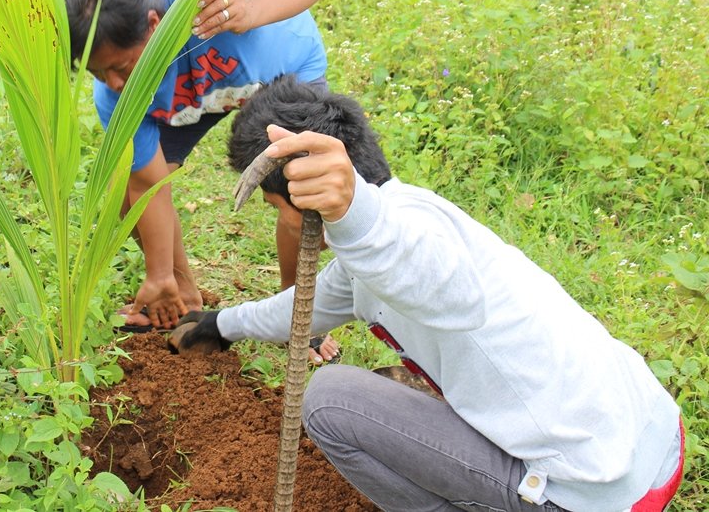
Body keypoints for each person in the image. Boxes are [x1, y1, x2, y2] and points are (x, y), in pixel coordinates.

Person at [171, 77, 684, 512]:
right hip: (650, 443)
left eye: (275, 207)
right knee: (388, 390)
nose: (280, 220)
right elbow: (303, 308)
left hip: (594, 492)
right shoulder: (409, 213)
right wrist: (219, 324)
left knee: (330, 400)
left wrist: (351, 216)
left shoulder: (396, 238)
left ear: (312, 189)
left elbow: (452, 291)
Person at [63, 0, 338, 361]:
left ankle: (293, 312)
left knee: (300, 197)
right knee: (126, 194)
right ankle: (183, 297)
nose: (114, 84)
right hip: (189, 99)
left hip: (279, 75)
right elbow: (149, 187)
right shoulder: (116, 97)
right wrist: (159, 275)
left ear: (155, 27)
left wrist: (249, 8)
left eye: (120, 67)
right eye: (100, 74)